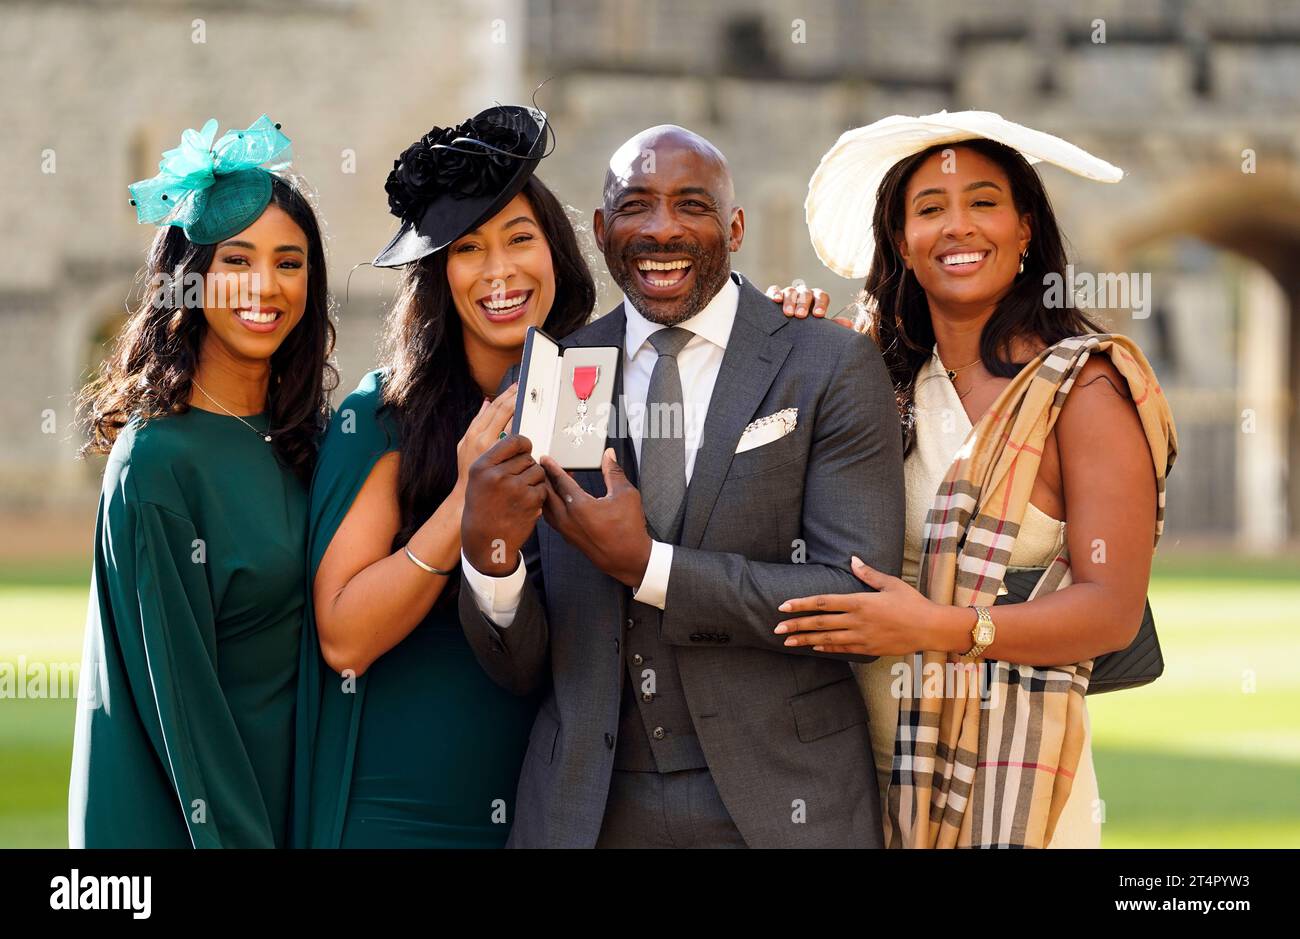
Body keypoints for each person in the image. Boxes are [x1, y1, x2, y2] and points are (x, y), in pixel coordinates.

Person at [294, 106, 823, 847]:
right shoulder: (384, 413)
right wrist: (463, 505)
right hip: (410, 801)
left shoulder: (590, 385)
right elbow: (343, 636)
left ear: (559, 249)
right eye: (469, 249)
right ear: (439, 276)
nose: (501, 271)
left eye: (520, 238)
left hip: (557, 799)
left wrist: (774, 321)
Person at [457, 124, 905, 848]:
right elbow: (520, 666)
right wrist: (489, 560)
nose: (662, 230)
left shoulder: (826, 364)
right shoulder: (558, 375)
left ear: (734, 226)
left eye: (691, 206)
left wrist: (650, 568)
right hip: (590, 812)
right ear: (603, 230)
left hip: (784, 805)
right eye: (636, 206)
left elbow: (852, 608)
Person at [781, 110, 1178, 848]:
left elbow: (1111, 610)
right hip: (856, 784)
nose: (959, 226)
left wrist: (938, 628)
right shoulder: (872, 379)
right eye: (930, 209)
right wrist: (780, 349)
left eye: (984, 203)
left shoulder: (1082, 389)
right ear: (902, 240)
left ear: (1025, 226)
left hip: (1015, 789)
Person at [70, 116, 335, 847]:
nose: (266, 285)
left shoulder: (313, 443)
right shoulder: (157, 463)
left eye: (290, 261)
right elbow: (182, 715)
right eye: (238, 260)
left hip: (304, 814)